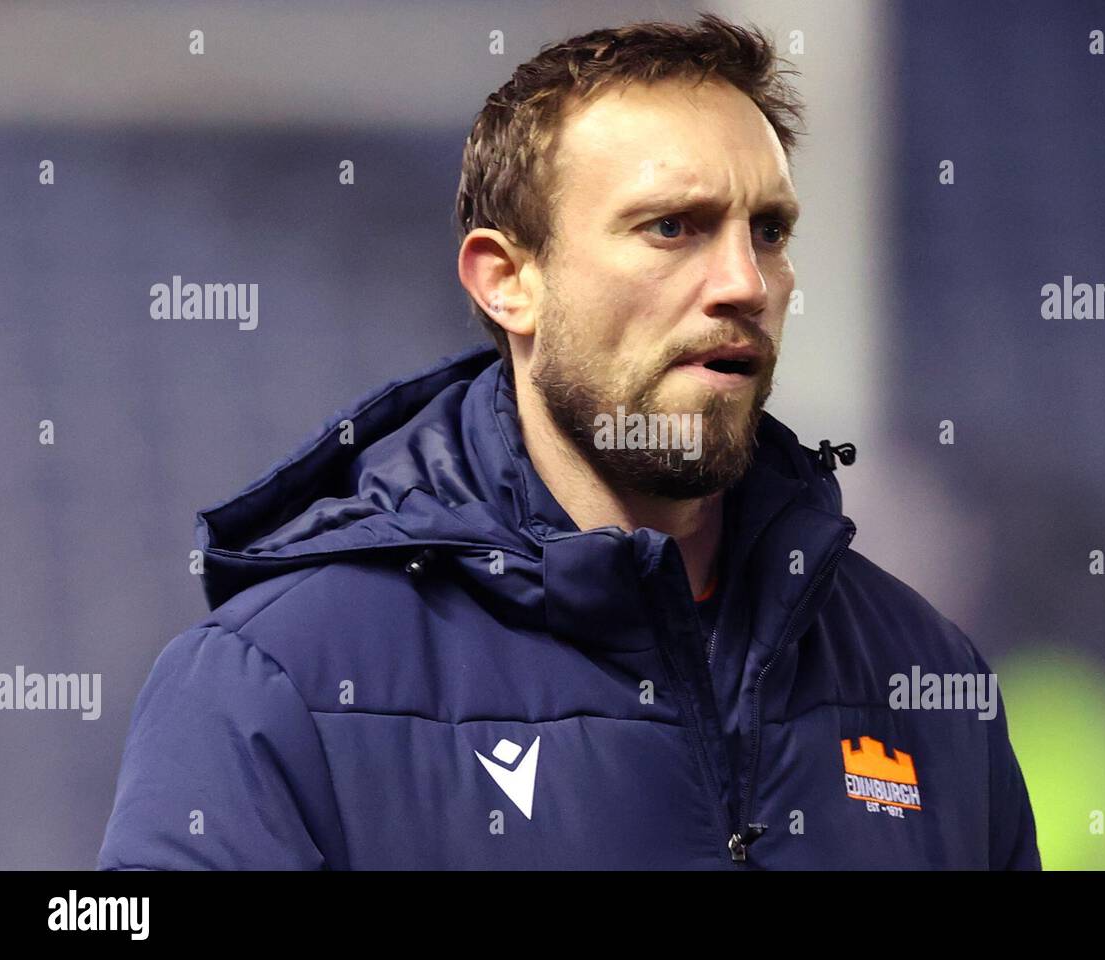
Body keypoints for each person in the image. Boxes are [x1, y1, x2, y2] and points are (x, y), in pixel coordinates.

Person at [98, 13, 1040, 870]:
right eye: (672, 226)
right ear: (509, 281)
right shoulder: (274, 685)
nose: (745, 283)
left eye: (769, 230)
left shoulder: (926, 678)